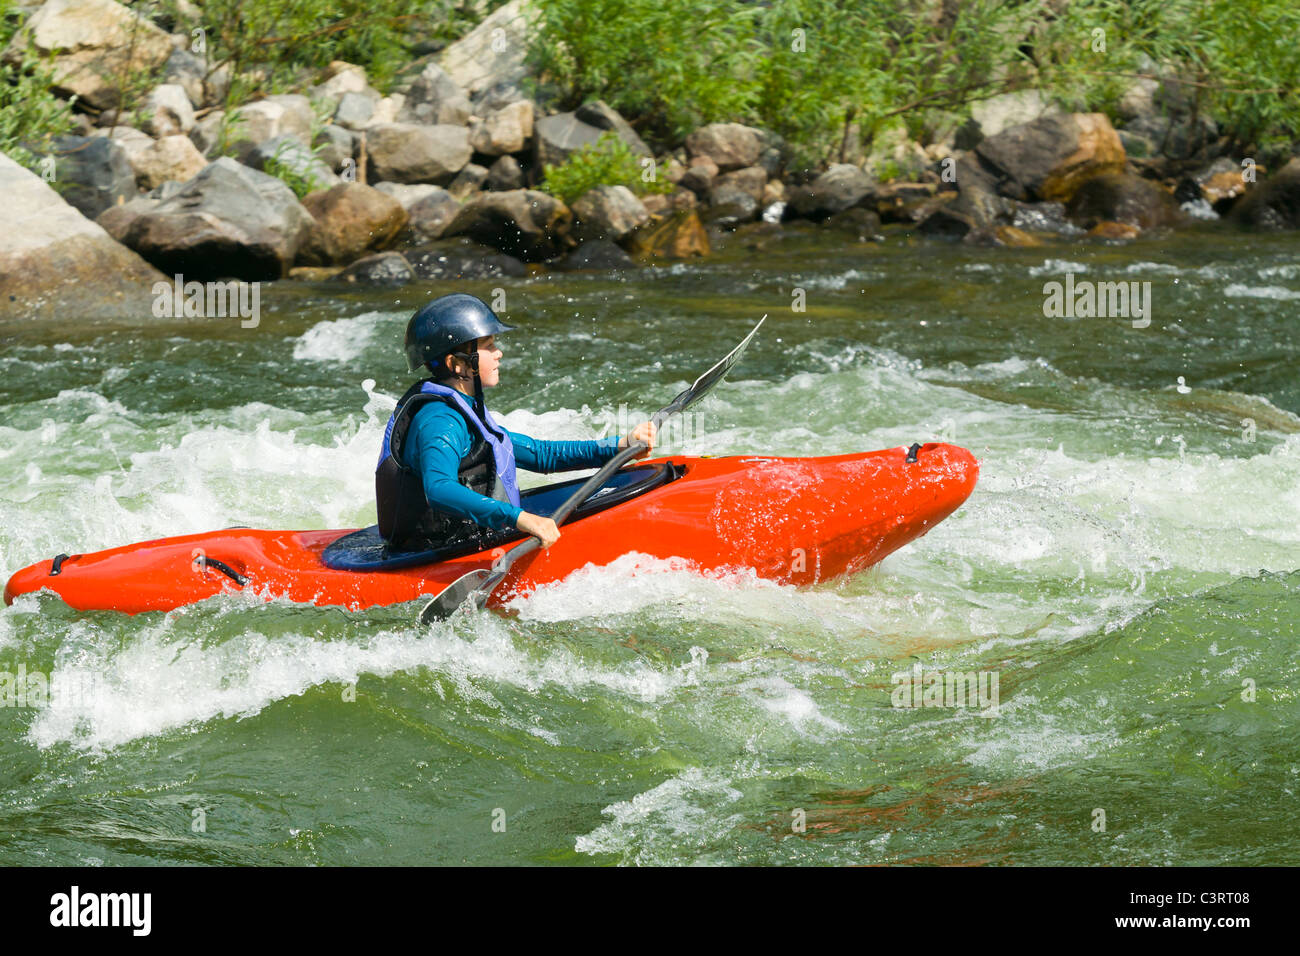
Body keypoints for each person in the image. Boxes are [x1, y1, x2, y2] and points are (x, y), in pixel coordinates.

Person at [376, 293, 656, 552]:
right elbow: (438, 488)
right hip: (433, 552)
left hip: (466, 538)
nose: (499, 353)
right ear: (458, 364)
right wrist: (521, 518)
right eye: (489, 346)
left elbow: (540, 454)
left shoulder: (466, 408)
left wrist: (619, 446)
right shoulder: (441, 421)